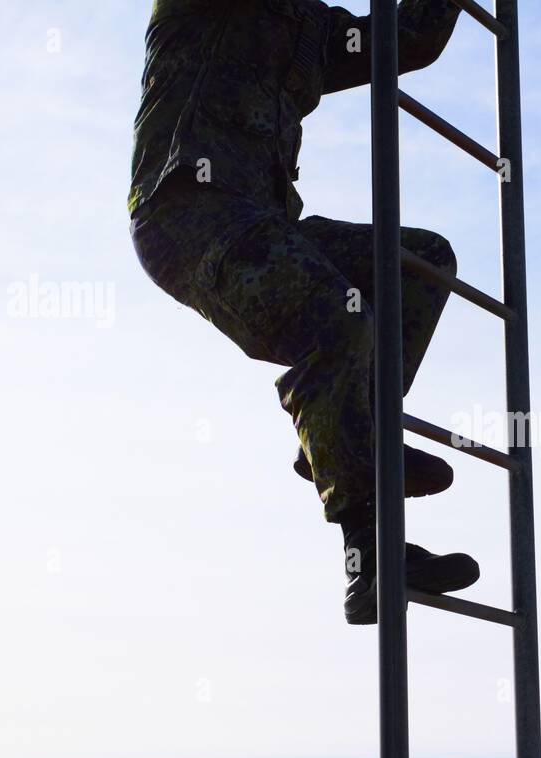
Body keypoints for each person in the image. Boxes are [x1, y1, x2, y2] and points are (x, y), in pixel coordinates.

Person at [128, 0, 477, 625]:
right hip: (188, 212)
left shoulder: (311, 29)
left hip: (263, 220)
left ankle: (347, 431)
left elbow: (411, 40)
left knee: (418, 260)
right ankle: (366, 557)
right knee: (336, 316)